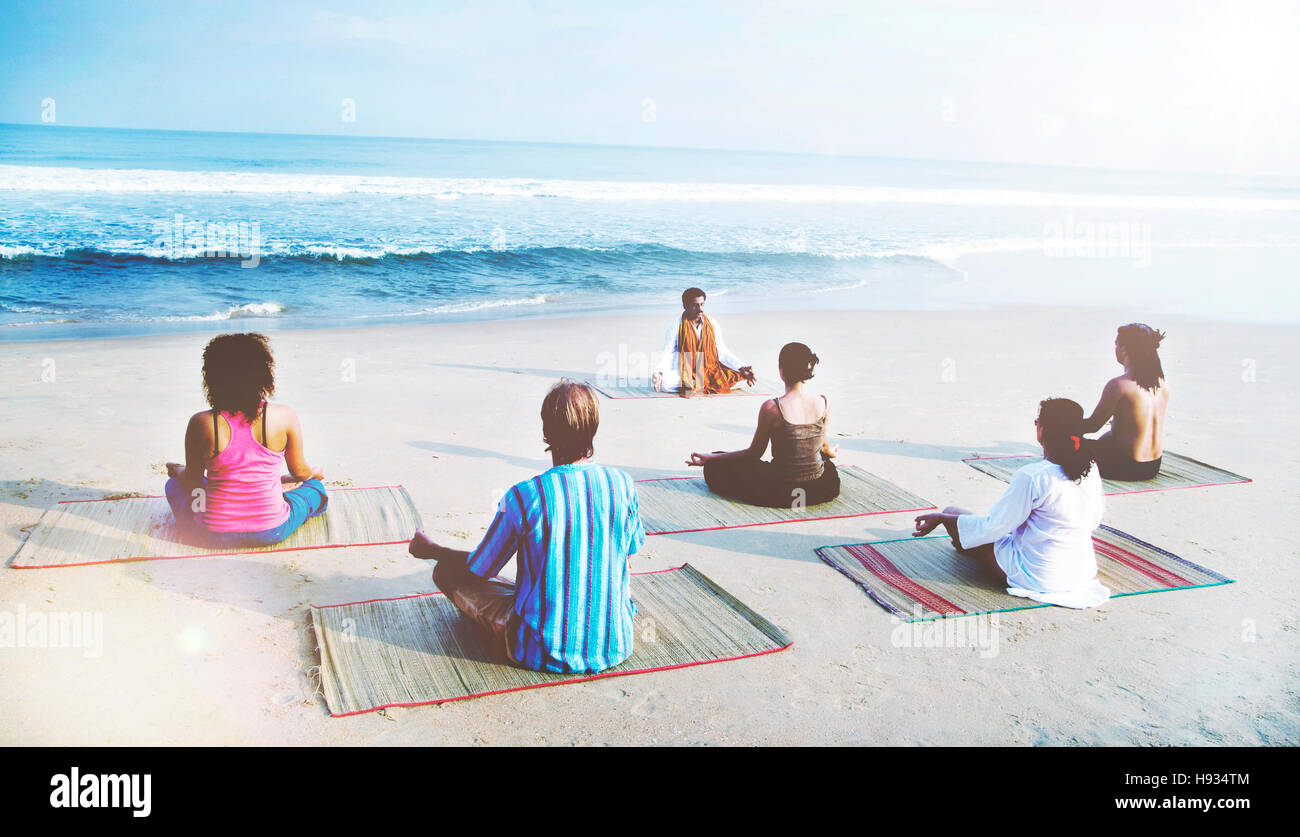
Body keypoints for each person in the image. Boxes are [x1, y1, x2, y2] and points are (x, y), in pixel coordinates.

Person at [409, 380, 646, 674]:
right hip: (615, 644)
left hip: (539, 651)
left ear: (546, 432)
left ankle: (516, 634)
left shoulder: (525, 496)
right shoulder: (622, 485)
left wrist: (433, 550)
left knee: (445, 571)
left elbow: (480, 569)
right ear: (593, 429)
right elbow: (629, 557)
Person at [911, 398, 1107, 607]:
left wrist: (942, 518)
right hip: (1081, 571)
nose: (1035, 424)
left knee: (954, 514)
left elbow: (994, 527)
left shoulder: (1033, 476)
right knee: (971, 526)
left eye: (1037, 421)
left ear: (1044, 430)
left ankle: (966, 541)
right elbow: (1093, 520)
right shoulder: (1090, 468)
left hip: (1040, 576)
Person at [164, 332, 328, 549]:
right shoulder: (284, 416)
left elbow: (193, 483)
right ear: (263, 375)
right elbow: (301, 472)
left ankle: (273, 487)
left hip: (213, 534)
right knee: (315, 489)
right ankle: (275, 490)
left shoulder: (201, 422)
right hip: (271, 530)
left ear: (211, 378)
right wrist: (314, 474)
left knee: (174, 485)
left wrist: (177, 470)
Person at [686, 342, 840, 508]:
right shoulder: (824, 402)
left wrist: (711, 457)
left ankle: (714, 459)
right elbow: (823, 446)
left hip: (785, 491)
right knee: (824, 462)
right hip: (819, 489)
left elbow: (753, 454)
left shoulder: (772, 408)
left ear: (782, 372)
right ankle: (803, 498)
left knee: (714, 468)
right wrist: (831, 453)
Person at [1081, 323, 1169, 480]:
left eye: (1116, 344)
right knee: (1109, 435)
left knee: (1064, 442)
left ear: (1124, 349)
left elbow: (1092, 426)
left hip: (1126, 467)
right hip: (1152, 466)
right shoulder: (1163, 383)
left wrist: (1058, 425)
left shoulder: (1119, 385)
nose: (1115, 348)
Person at [651, 287, 756, 396]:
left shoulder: (712, 323)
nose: (700, 309)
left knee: (742, 376)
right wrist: (658, 372)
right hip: (687, 367)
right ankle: (700, 382)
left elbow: (722, 350)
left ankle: (699, 382)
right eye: (695, 305)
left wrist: (742, 367)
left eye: (702, 304)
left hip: (709, 367)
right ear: (685, 306)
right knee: (665, 383)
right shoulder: (676, 326)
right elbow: (667, 351)